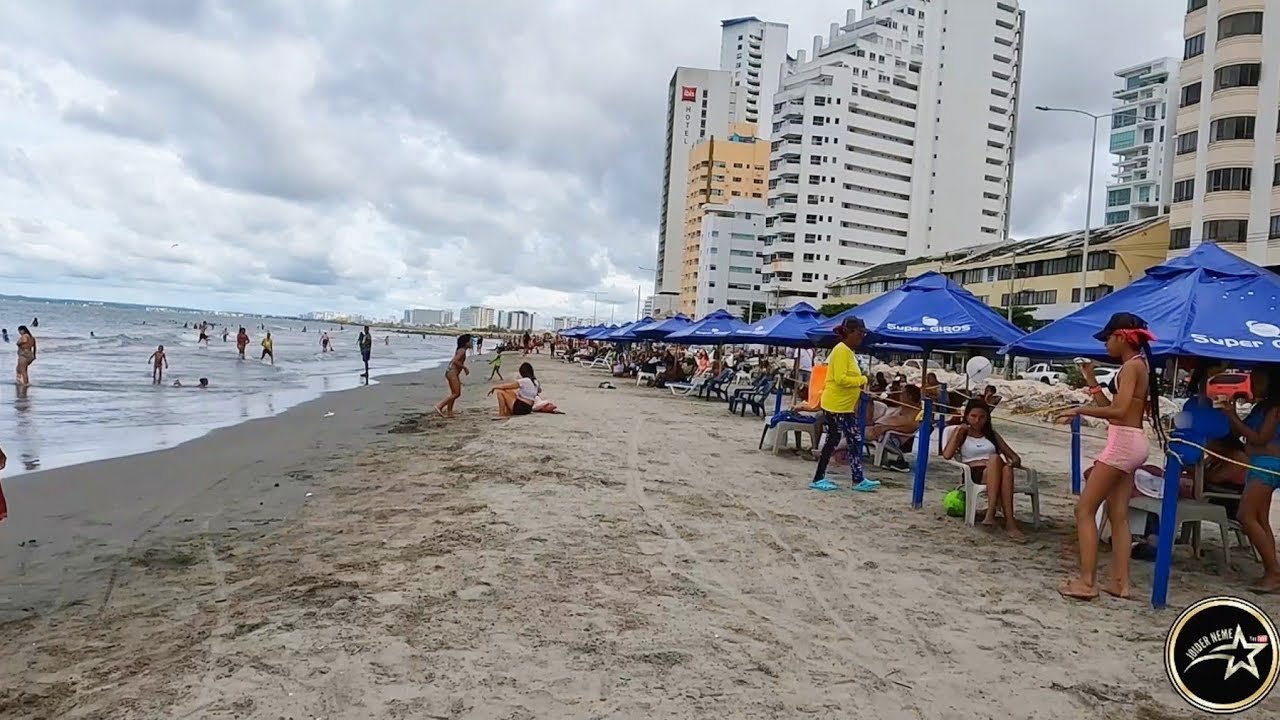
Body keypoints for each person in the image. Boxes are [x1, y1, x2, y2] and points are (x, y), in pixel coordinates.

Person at [1055, 312, 1157, 601]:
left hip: (1123, 444)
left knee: (1084, 510)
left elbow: (1118, 411)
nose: (1105, 345)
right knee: (1118, 514)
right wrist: (1091, 380)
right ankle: (1120, 583)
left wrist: (1078, 409)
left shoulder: (1130, 367)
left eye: (1108, 339)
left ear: (1121, 337)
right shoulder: (1139, 365)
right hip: (1133, 441)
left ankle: (1088, 582)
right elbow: (1113, 409)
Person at [1220, 364, 1280, 593]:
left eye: (1257, 380)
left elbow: (1260, 438)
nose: (1253, 384)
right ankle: (1271, 570)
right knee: (1260, 519)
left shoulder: (1275, 408)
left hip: (1267, 465)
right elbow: (1240, 432)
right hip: (1259, 463)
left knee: (1246, 515)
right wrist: (1232, 410)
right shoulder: (1262, 406)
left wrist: (1233, 416)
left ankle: (1274, 571)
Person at [810, 317, 878, 492]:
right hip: (835, 405)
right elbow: (840, 379)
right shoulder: (841, 351)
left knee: (854, 440)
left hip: (845, 406)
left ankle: (858, 479)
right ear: (849, 332)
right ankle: (818, 478)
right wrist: (863, 379)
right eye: (860, 333)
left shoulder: (848, 352)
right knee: (832, 441)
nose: (862, 337)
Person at [943, 399, 1025, 540]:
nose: (977, 421)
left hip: (996, 470)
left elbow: (1015, 457)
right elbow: (947, 455)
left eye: (981, 417)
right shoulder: (962, 433)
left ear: (987, 418)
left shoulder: (991, 435)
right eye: (973, 416)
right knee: (995, 460)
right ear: (967, 416)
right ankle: (1006, 521)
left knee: (1005, 468)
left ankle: (997, 517)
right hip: (974, 473)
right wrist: (958, 432)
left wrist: (1011, 463)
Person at [435, 334, 472, 418]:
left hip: (451, 372)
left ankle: (449, 411)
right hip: (452, 373)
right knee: (457, 393)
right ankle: (439, 406)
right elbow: (454, 361)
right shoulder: (462, 351)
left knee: (454, 393)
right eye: (470, 341)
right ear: (466, 343)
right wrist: (464, 368)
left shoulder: (461, 350)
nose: (472, 343)